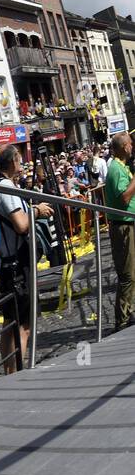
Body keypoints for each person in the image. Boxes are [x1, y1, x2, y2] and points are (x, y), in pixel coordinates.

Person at [0, 144, 51, 373]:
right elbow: (21, 225)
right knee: (23, 326)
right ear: (12, 162)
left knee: (9, 324)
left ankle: (8, 373)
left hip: (5, 263)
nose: (21, 166)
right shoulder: (6, 188)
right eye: (20, 161)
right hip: (16, 265)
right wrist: (37, 211)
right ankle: (18, 374)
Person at [103, 132, 135, 331]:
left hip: (128, 224)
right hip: (123, 227)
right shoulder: (115, 168)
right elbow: (124, 198)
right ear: (124, 147)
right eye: (130, 144)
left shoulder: (121, 166)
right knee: (128, 274)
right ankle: (122, 320)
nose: (132, 147)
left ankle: (129, 311)